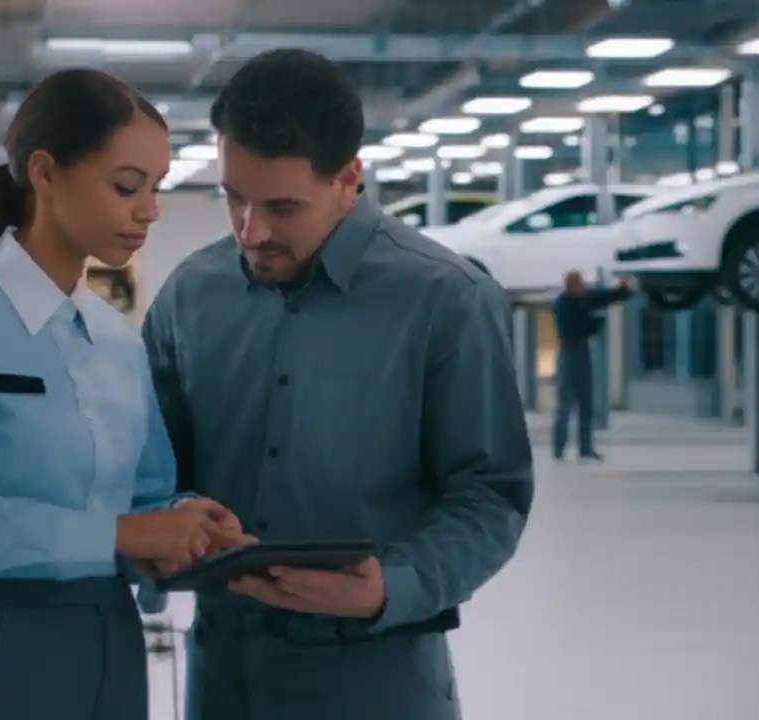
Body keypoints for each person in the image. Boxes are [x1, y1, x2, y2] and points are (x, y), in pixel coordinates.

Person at [0, 68, 249, 720]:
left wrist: (186, 519)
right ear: (46, 173)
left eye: (155, 188)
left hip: (114, 648)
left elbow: (142, 497)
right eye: (126, 186)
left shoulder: (116, 342)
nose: (149, 210)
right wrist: (114, 533)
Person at [143, 49, 533, 720]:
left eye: (282, 206)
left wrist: (394, 585)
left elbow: (489, 495)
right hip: (222, 678)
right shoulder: (190, 296)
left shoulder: (446, 300)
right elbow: (148, 466)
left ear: (350, 177)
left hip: (378, 677)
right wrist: (174, 512)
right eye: (234, 199)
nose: (251, 231)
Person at [550, 270, 631, 461]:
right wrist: (596, 323)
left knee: (585, 403)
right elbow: (576, 327)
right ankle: (560, 449)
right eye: (579, 283)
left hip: (579, 351)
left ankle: (584, 448)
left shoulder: (581, 299)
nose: (583, 286)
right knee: (565, 405)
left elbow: (605, 298)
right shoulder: (564, 303)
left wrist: (622, 290)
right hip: (570, 352)